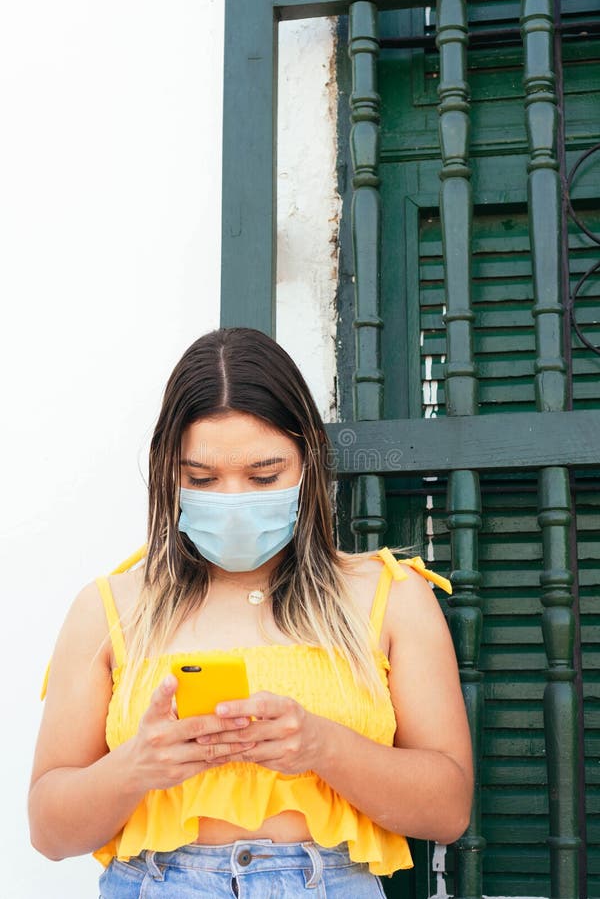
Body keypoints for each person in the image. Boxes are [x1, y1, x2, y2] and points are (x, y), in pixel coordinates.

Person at [29, 327, 473, 898]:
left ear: (309, 458)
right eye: (202, 479)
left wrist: (321, 746)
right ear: (168, 471)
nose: (235, 501)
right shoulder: (109, 608)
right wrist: (138, 765)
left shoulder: (391, 597)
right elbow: (48, 831)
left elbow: (448, 811)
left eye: (264, 476)